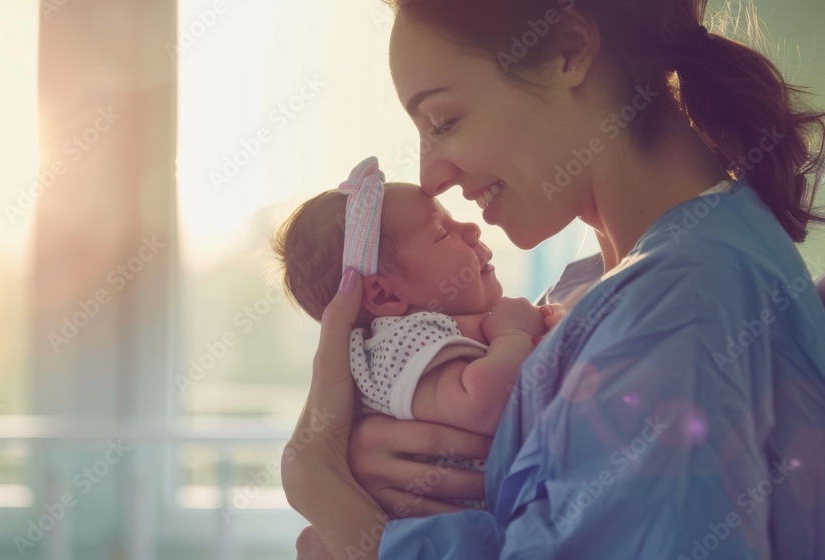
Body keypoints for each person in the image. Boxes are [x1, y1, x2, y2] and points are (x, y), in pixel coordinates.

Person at [280, 1, 825, 559]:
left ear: (569, 50)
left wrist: (331, 500)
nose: (431, 178)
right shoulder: (596, 291)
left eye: (445, 121)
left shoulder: (683, 311)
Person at [273, 158, 566, 508]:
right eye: (442, 232)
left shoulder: (445, 333)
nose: (471, 227)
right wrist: (515, 334)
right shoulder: (401, 343)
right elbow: (483, 405)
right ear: (386, 295)